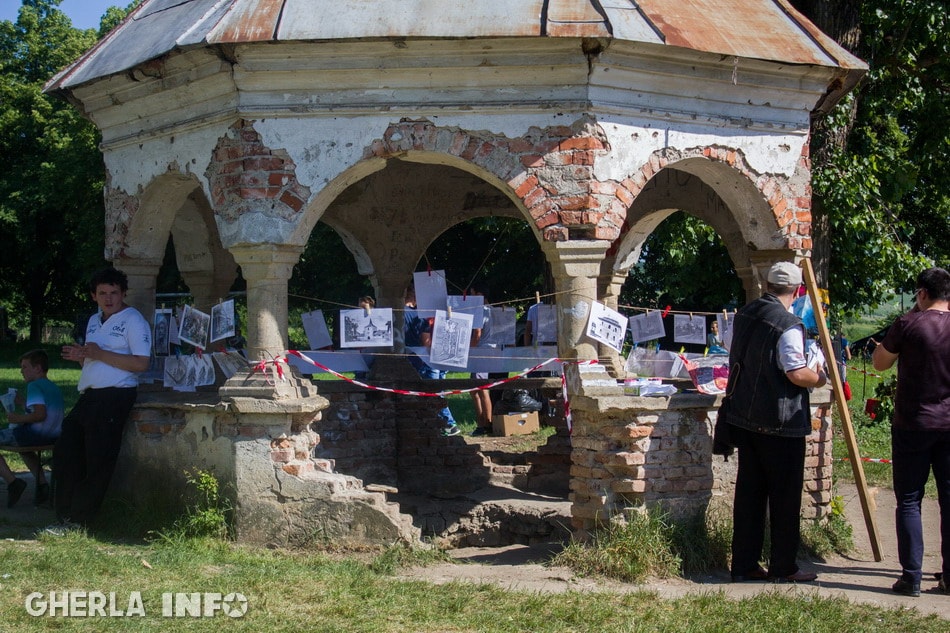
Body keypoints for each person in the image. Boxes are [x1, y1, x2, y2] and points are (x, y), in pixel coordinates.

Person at [720, 261, 827, 583]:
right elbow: (796, 372)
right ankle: (783, 566)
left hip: (745, 416)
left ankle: (745, 564)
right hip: (779, 422)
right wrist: (819, 378)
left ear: (767, 284)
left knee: (749, 495)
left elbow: (733, 349)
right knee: (785, 497)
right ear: (797, 290)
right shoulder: (788, 324)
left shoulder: (745, 314)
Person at [49, 268, 151, 533]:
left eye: (114, 293)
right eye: (102, 293)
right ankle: (64, 514)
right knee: (67, 450)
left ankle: (80, 520)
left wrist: (99, 354)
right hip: (90, 394)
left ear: (123, 293)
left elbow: (141, 363)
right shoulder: (94, 320)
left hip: (115, 395)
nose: (108, 298)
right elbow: (93, 357)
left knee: (98, 458)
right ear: (93, 296)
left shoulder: (133, 320)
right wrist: (82, 356)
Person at [872, 266, 950, 597]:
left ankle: (911, 576)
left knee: (908, 499)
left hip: (913, 423)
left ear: (922, 293)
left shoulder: (908, 323)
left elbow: (880, 362)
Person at [0, 350, 64, 508]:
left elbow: (40, 415)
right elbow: (42, 412)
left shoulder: (34, 385)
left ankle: (13, 482)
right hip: (53, 437)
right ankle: (42, 485)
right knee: (25, 451)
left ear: (38, 368)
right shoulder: (53, 387)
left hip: (33, 435)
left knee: (18, 440)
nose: (21, 371)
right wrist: (23, 403)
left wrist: (17, 418)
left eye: (25, 367)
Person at [404, 286, 459, 436]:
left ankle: (449, 424)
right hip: (426, 360)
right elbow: (426, 342)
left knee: (433, 393)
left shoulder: (397, 315)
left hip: (412, 361)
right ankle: (443, 424)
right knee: (435, 392)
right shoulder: (420, 315)